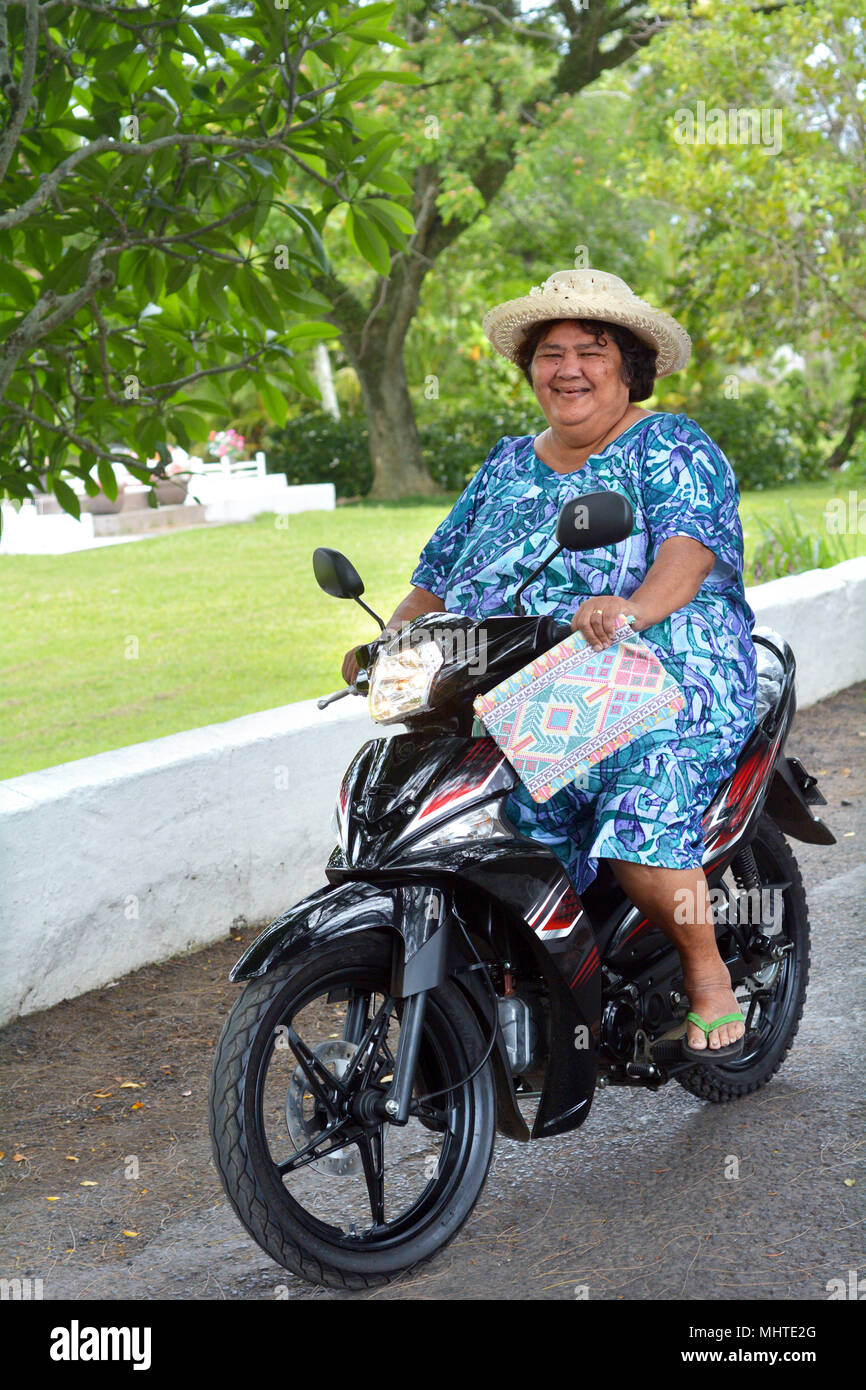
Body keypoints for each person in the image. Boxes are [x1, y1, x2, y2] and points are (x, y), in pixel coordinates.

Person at [342, 268, 758, 1060]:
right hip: (517, 672)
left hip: (663, 658)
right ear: (530, 368)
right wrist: (387, 646)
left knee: (639, 814)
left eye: (591, 351)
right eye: (551, 352)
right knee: (472, 818)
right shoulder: (505, 464)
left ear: (628, 365)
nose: (568, 368)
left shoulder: (669, 445)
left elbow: (687, 552)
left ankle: (707, 976)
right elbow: (435, 576)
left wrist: (633, 608)